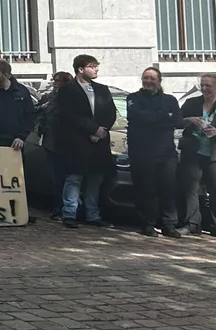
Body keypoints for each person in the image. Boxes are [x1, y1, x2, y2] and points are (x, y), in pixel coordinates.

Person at [55, 54, 116, 229]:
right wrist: (92, 129)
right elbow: (69, 115)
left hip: (99, 141)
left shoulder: (103, 89)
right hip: (78, 141)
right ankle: (69, 213)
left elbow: (110, 113)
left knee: (95, 179)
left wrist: (102, 130)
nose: (96, 69)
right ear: (80, 69)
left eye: (96, 66)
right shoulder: (68, 90)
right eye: (92, 66)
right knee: (74, 178)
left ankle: (92, 214)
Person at [127, 67, 182, 238]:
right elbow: (136, 116)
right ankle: (148, 223)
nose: (148, 81)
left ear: (159, 81)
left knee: (168, 188)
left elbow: (177, 120)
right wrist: (163, 116)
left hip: (166, 152)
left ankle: (169, 224)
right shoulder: (133, 98)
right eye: (145, 78)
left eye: (152, 78)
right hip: (142, 152)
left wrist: (155, 117)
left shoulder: (170, 99)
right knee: (146, 189)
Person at [178, 73, 216, 237]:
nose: (205, 88)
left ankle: (214, 225)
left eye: (208, 85)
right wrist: (190, 120)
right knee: (191, 189)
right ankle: (192, 224)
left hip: (214, 154)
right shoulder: (192, 102)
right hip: (193, 152)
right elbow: (177, 121)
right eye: (203, 85)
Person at [36, 71, 73, 220]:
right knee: (56, 178)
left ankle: (66, 209)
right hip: (50, 141)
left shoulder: (70, 99)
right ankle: (58, 208)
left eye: (59, 81)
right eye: (55, 80)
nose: (56, 83)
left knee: (66, 178)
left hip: (67, 142)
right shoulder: (49, 97)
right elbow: (37, 111)